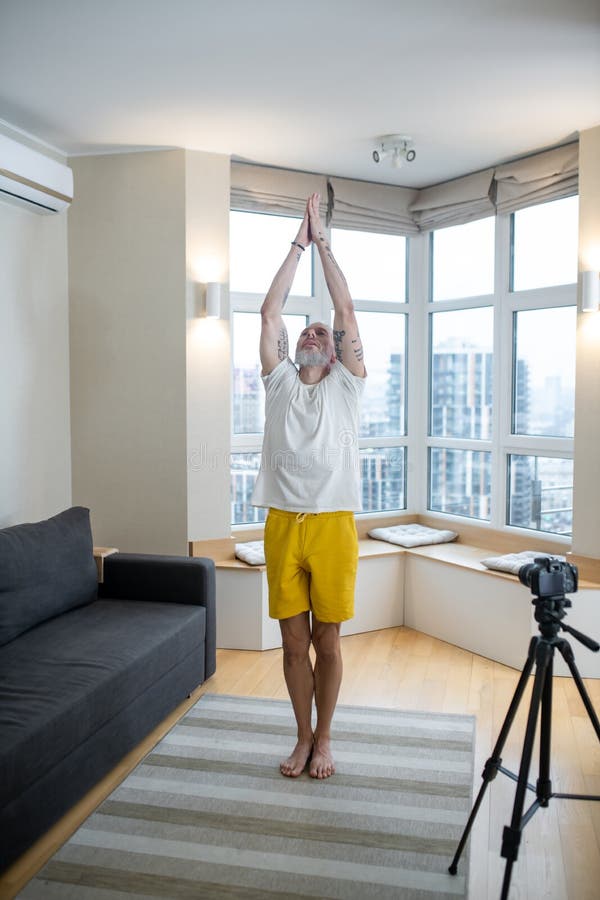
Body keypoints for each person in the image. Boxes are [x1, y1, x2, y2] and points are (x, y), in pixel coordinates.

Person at [251, 192, 366, 779]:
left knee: (329, 640)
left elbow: (345, 308)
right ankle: (301, 737)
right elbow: (269, 312)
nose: (315, 333)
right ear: (294, 350)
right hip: (282, 524)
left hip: (332, 525)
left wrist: (323, 241)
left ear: (338, 350)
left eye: (323, 332)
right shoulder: (279, 383)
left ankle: (325, 740)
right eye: (307, 332)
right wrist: (297, 243)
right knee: (294, 644)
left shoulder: (346, 384)